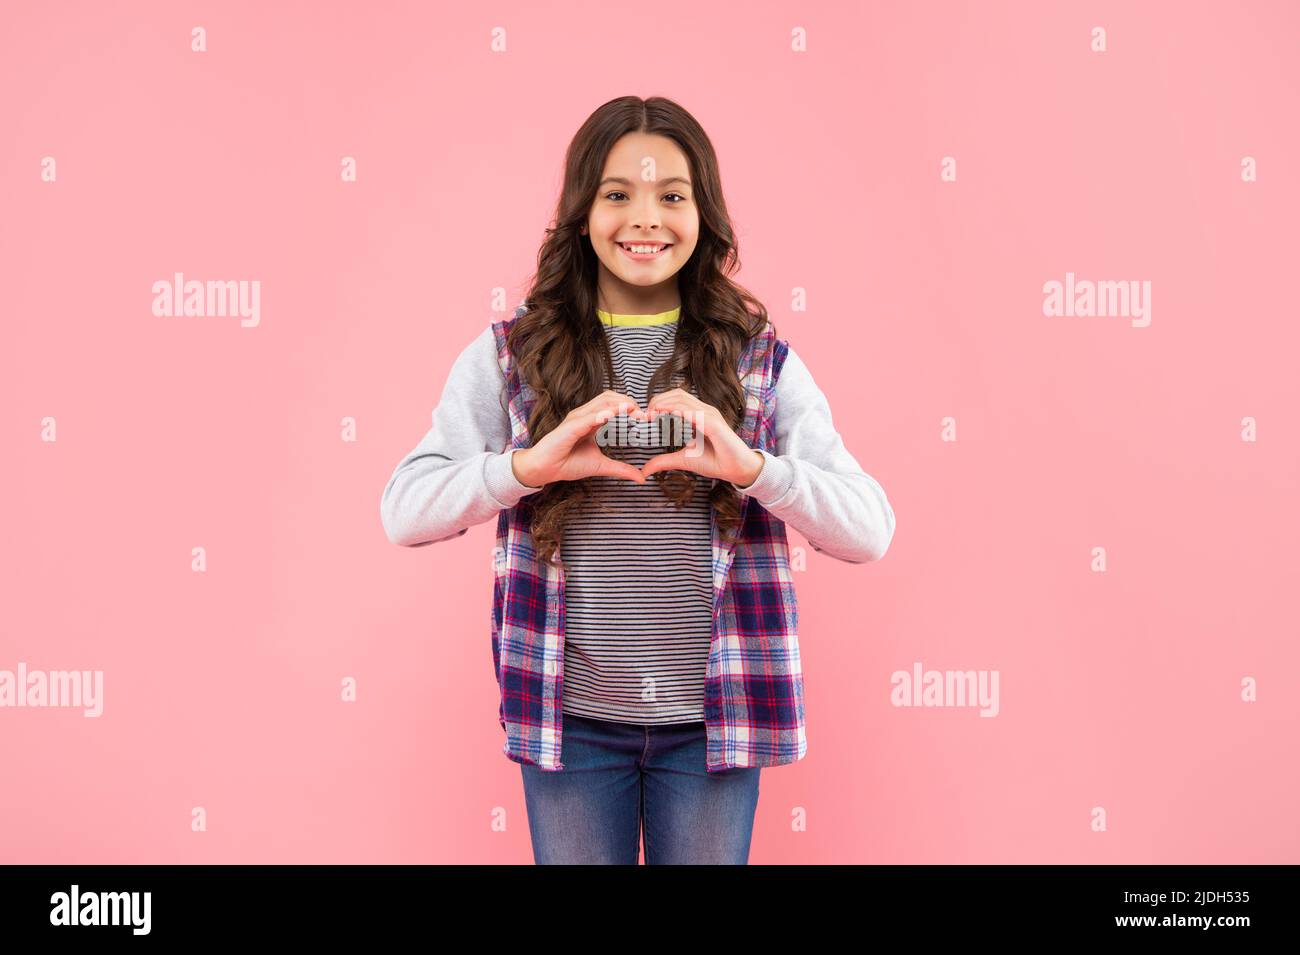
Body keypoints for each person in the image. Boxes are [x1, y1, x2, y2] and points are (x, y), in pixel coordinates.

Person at [380, 95, 896, 864]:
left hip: (714, 721)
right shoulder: (513, 353)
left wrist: (754, 469)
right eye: (617, 193)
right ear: (582, 212)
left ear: (704, 213)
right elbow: (404, 510)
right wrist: (524, 468)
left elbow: (870, 530)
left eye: (672, 196)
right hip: (570, 721)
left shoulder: (757, 359)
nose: (645, 219)